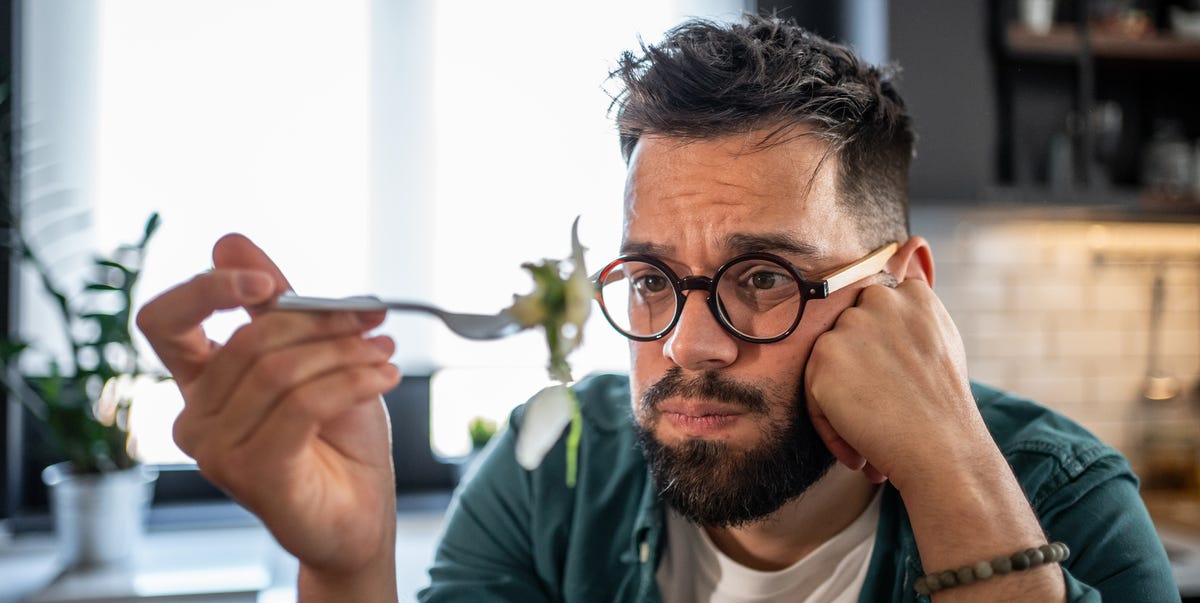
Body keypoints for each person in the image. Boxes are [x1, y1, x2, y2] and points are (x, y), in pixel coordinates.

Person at [137, 14, 1176, 602]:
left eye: (762, 277)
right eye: (649, 280)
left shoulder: (1065, 502)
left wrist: (952, 469)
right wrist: (345, 563)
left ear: (903, 291)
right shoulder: (550, 479)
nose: (687, 343)